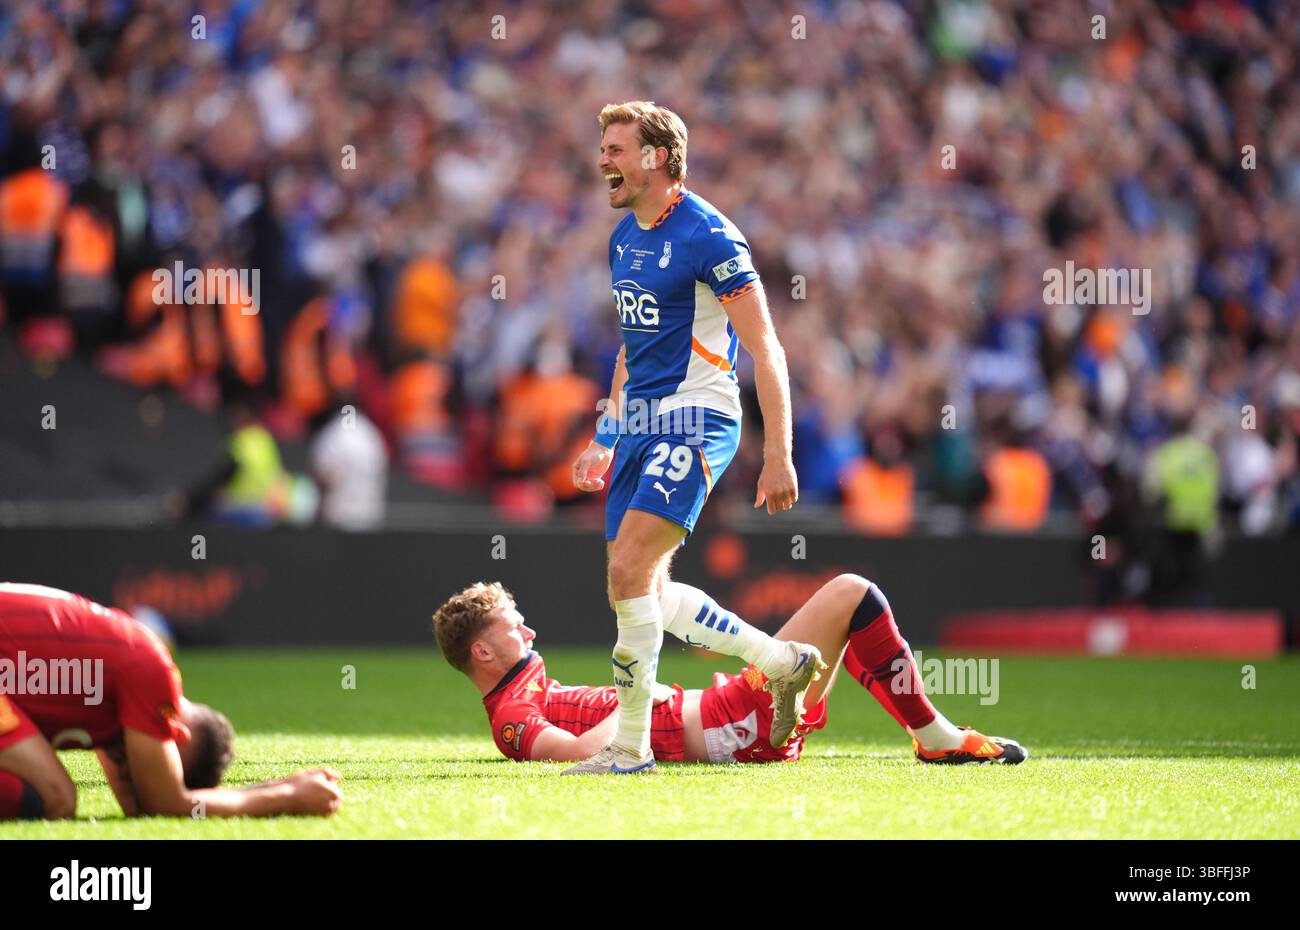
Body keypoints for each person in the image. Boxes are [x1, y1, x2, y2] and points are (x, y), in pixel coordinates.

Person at [568, 101, 810, 774]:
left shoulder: (711, 237)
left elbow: (766, 348)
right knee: (634, 590)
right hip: (641, 424)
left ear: (658, 159)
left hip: (699, 419)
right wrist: (605, 436)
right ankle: (781, 661)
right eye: (604, 147)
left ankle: (629, 749)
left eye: (617, 148)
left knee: (628, 571)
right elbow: (630, 351)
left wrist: (779, 451)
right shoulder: (623, 239)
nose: (603, 160)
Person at [432, 575, 1027, 769]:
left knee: (847, 621)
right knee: (853, 594)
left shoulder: (528, 688)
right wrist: (636, 695)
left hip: (725, 717)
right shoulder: (511, 715)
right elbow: (584, 757)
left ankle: (935, 739)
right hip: (726, 724)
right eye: (514, 627)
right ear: (482, 653)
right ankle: (936, 739)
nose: (529, 632)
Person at [0, 583, 342, 820]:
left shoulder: (107, 694)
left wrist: (284, 784)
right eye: (156, 763)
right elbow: (167, 802)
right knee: (56, 799)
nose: (137, 774)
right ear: (179, 733)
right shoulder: (152, 669)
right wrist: (288, 796)